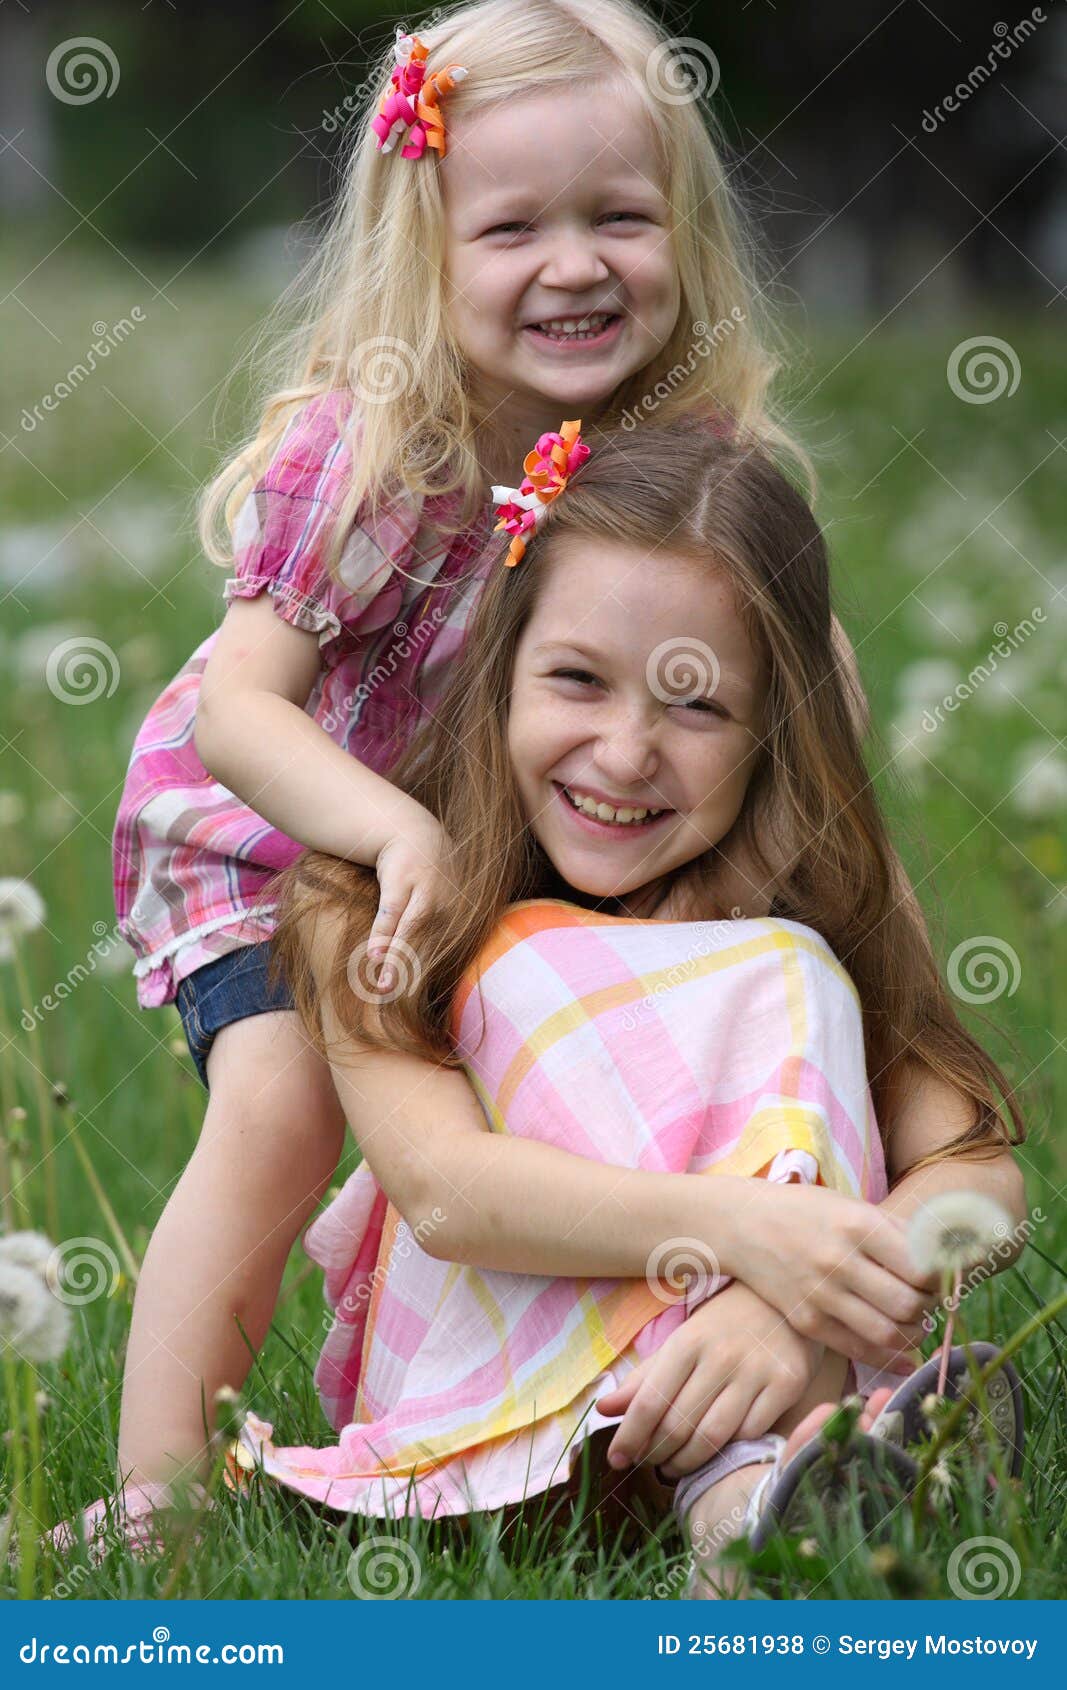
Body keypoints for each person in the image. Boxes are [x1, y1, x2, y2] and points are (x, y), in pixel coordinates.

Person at [61, 0, 838, 1554]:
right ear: (426, 249)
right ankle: (157, 1497)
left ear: (679, 233)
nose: (573, 263)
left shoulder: (666, 454)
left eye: (619, 217)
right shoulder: (370, 449)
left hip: (486, 832)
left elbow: (802, 673)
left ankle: (567, 1408)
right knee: (282, 1105)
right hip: (277, 833)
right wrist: (388, 824)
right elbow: (240, 715)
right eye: (512, 227)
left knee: (585, 1063)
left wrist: (805, 808)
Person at [234, 419, 1026, 1597]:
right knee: (541, 965)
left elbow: (980, 1175)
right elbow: (448, 1194)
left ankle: (775, 1511)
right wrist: (751, 1235)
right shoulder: (370, 901)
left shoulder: (817, 895)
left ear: (774, 726)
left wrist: (784, 1310)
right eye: (575, 680)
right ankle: (786, 1501)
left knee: (788, 960)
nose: (624, 750)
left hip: (760, 1361)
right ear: (500, 669)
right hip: (501, 1429)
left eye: (697, 708)